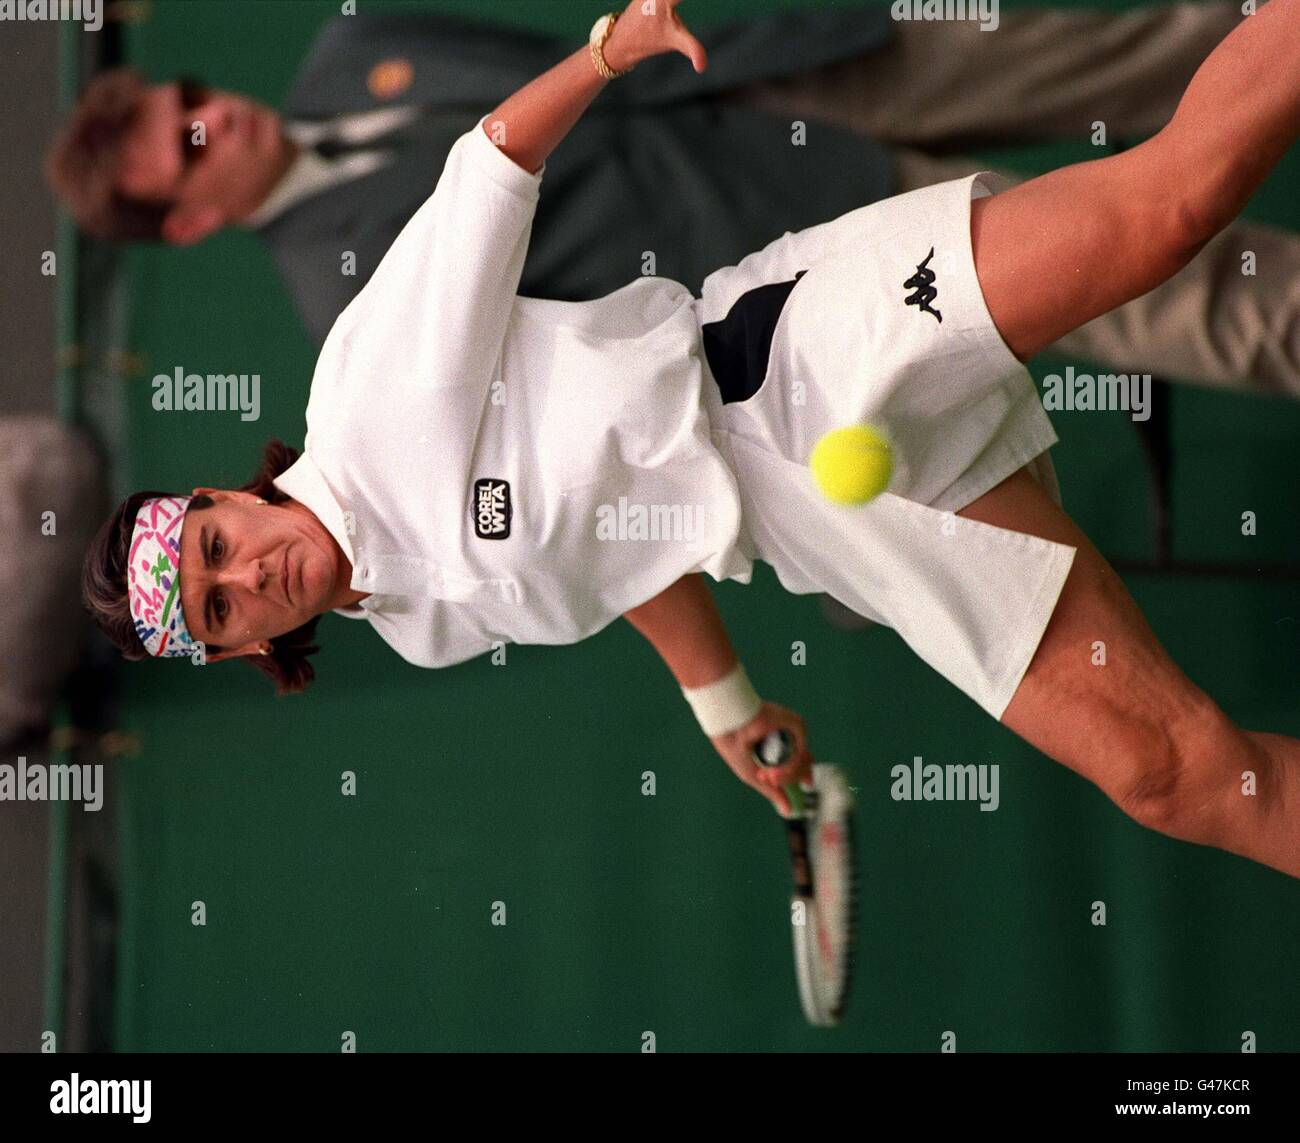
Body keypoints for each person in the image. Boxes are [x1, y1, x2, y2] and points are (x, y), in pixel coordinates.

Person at [82, 0, 1300, 881]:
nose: (246, 575)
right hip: (819, 524)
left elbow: (489, 162)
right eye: (221, 608)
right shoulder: (417, 628)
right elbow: (617, 552)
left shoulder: (362, 387)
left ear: (218, 499)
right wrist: (725, 704)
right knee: (1174, 782)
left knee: (1171, 205)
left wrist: (605, 51)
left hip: (798, 347)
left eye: (217, 546)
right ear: (245, 648)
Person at [46, 3, 1299, 396]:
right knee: (1157, 293)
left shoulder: (352, 40)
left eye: (191, 99)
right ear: (192, 220)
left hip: (789, 58)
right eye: (191, 148)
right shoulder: (352, 308)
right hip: (812, 236)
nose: (217, 119)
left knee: (1147, 42)